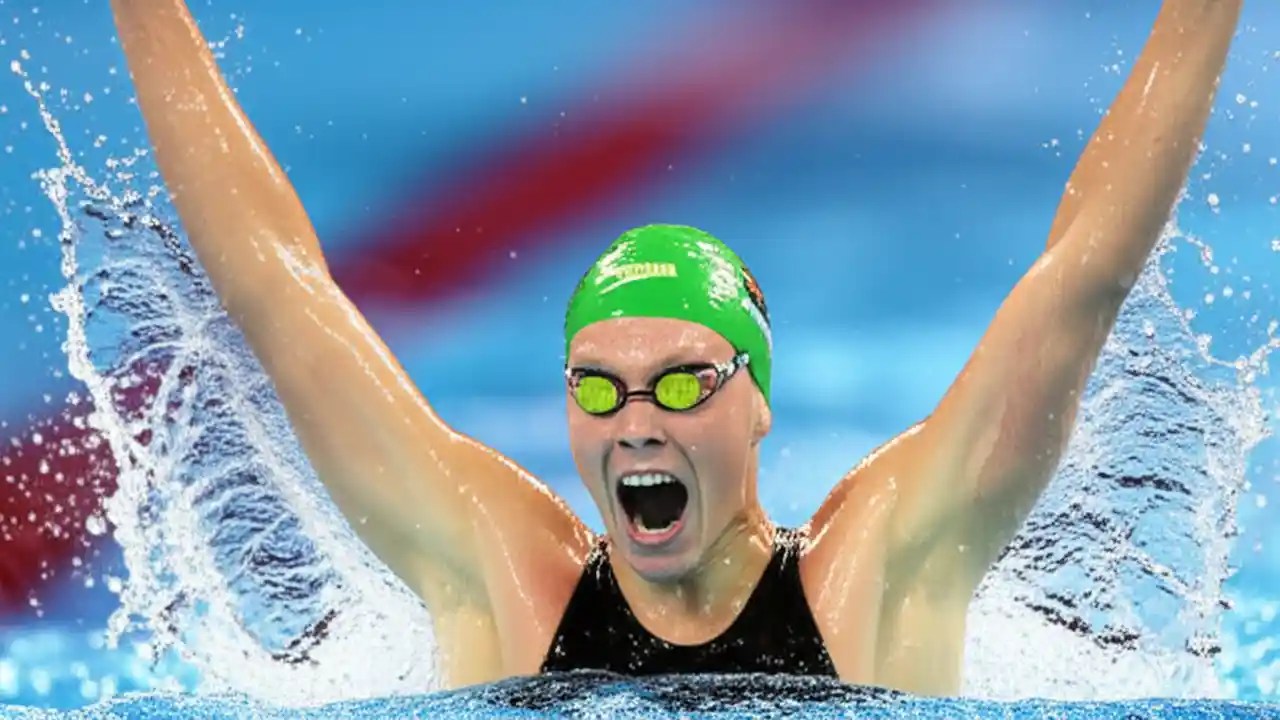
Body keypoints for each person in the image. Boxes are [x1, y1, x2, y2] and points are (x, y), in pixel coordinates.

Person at [108, 0, 1242, 696]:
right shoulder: (507, 588)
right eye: (596, 389)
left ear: (758, 402)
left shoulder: (878, 581)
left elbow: (1081, 275)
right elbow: (276, 287)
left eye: (680, 382)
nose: (634, 421)